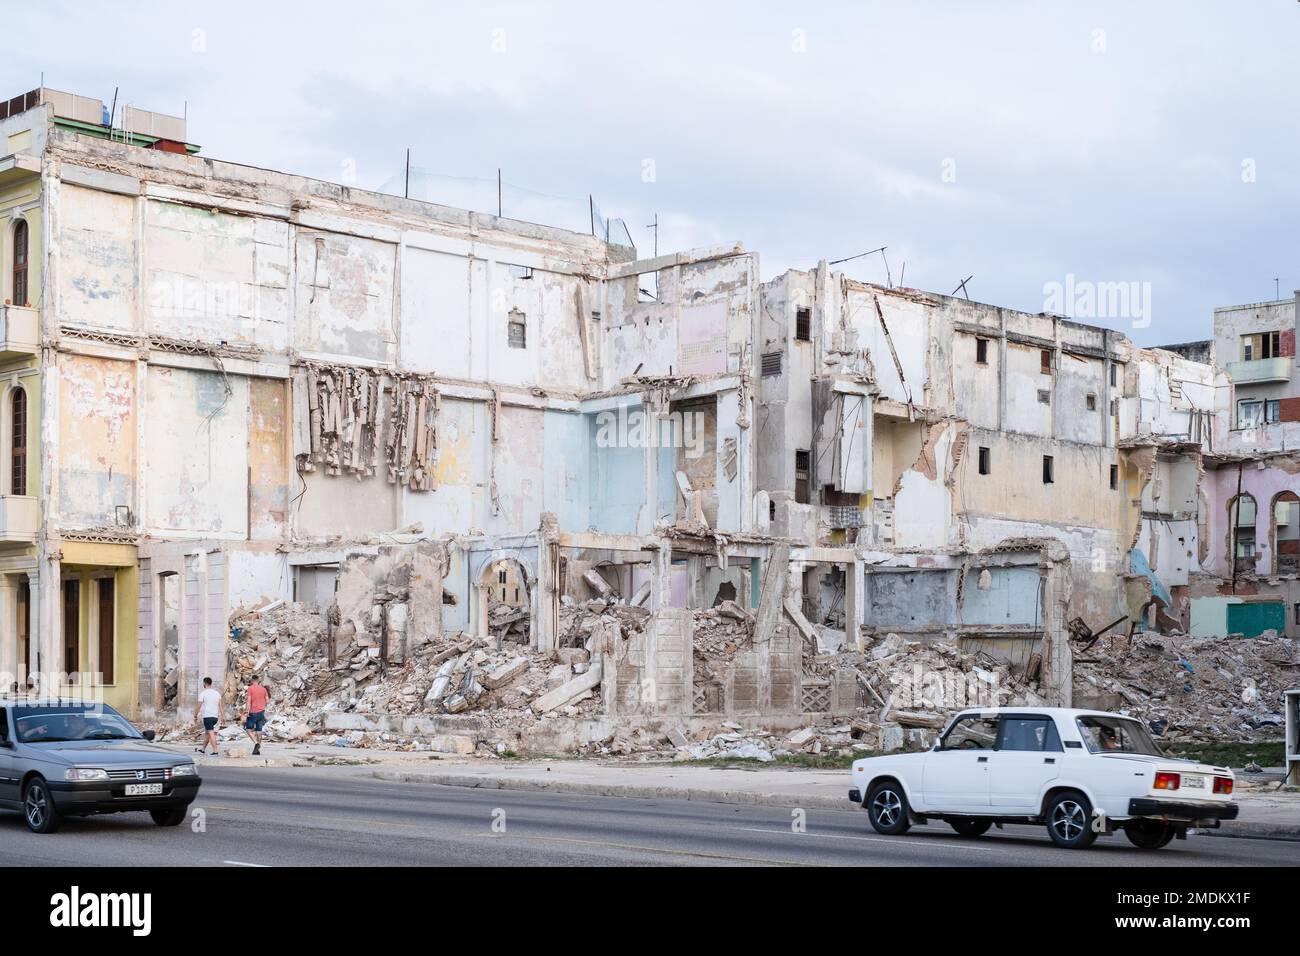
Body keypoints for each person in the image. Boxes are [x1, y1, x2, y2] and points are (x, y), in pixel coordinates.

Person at [194, 677, 223, 756]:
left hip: (208, 716)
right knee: (207, 732)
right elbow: (220, 706)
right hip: (215, 717)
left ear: (204, 683)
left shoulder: (203, 693)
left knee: (211, 732)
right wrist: (223, 717)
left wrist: (195, 715)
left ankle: (215, 750)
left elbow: (198, 706)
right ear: (211, 683)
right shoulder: (217, 693)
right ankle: (203, 749)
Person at [242, 675, 269, 756]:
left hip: (253, 712)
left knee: (248, 729)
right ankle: (257, 750)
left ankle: (256, 743)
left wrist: (247, 711)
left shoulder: (250, 688)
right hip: (261, 711)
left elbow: (248, 701)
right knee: (259, 730)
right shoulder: (263, 689)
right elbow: (267, 701)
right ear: (258, 680)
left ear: (252, 680)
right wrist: (262, 705)